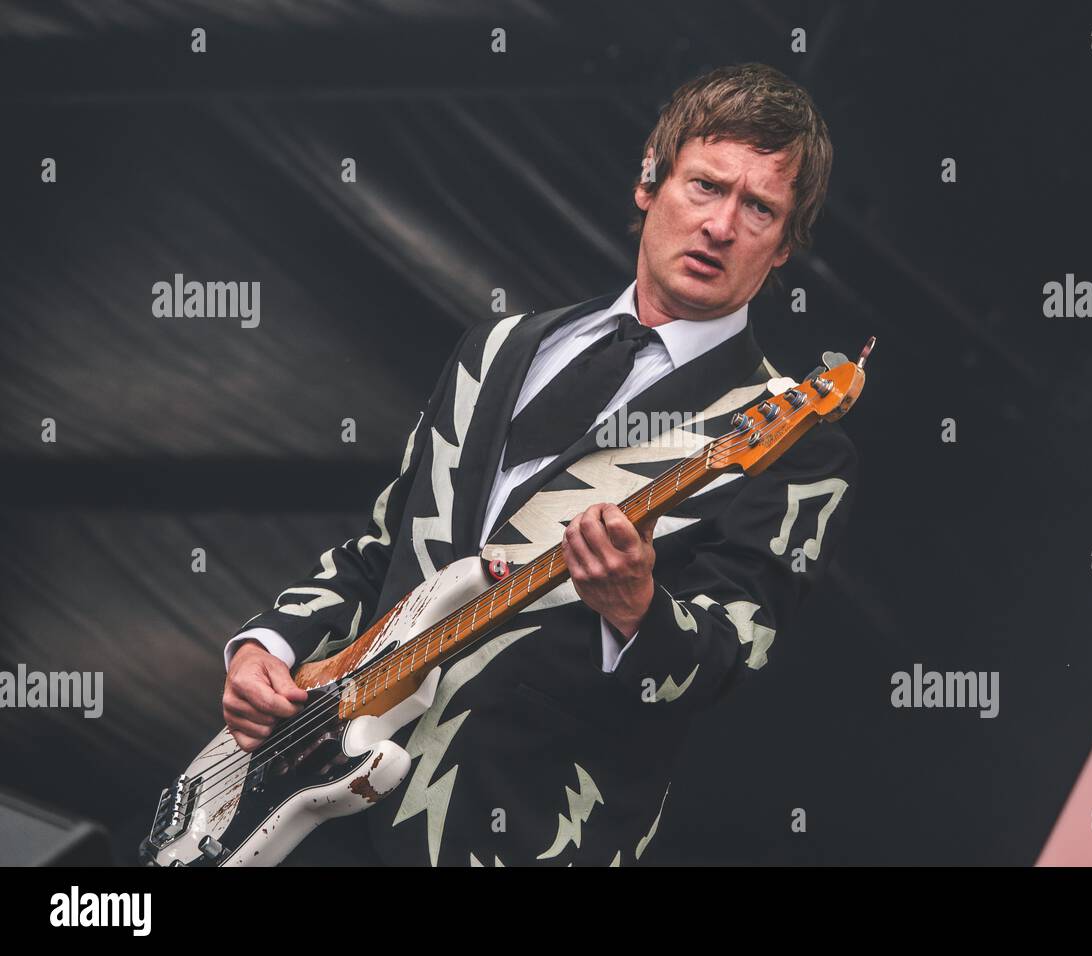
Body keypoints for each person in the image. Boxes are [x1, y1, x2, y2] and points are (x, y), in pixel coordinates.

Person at [220, 62, 858, 866]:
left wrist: (638, 610)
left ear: (783, 250)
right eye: (705, 186)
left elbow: (729, 660)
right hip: (317, 805)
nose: (721, 226)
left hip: (524, 838)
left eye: (758, 208)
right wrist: (267, 646)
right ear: (649, 184)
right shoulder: (497, 348)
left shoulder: (795, 437)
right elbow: (386, 550)